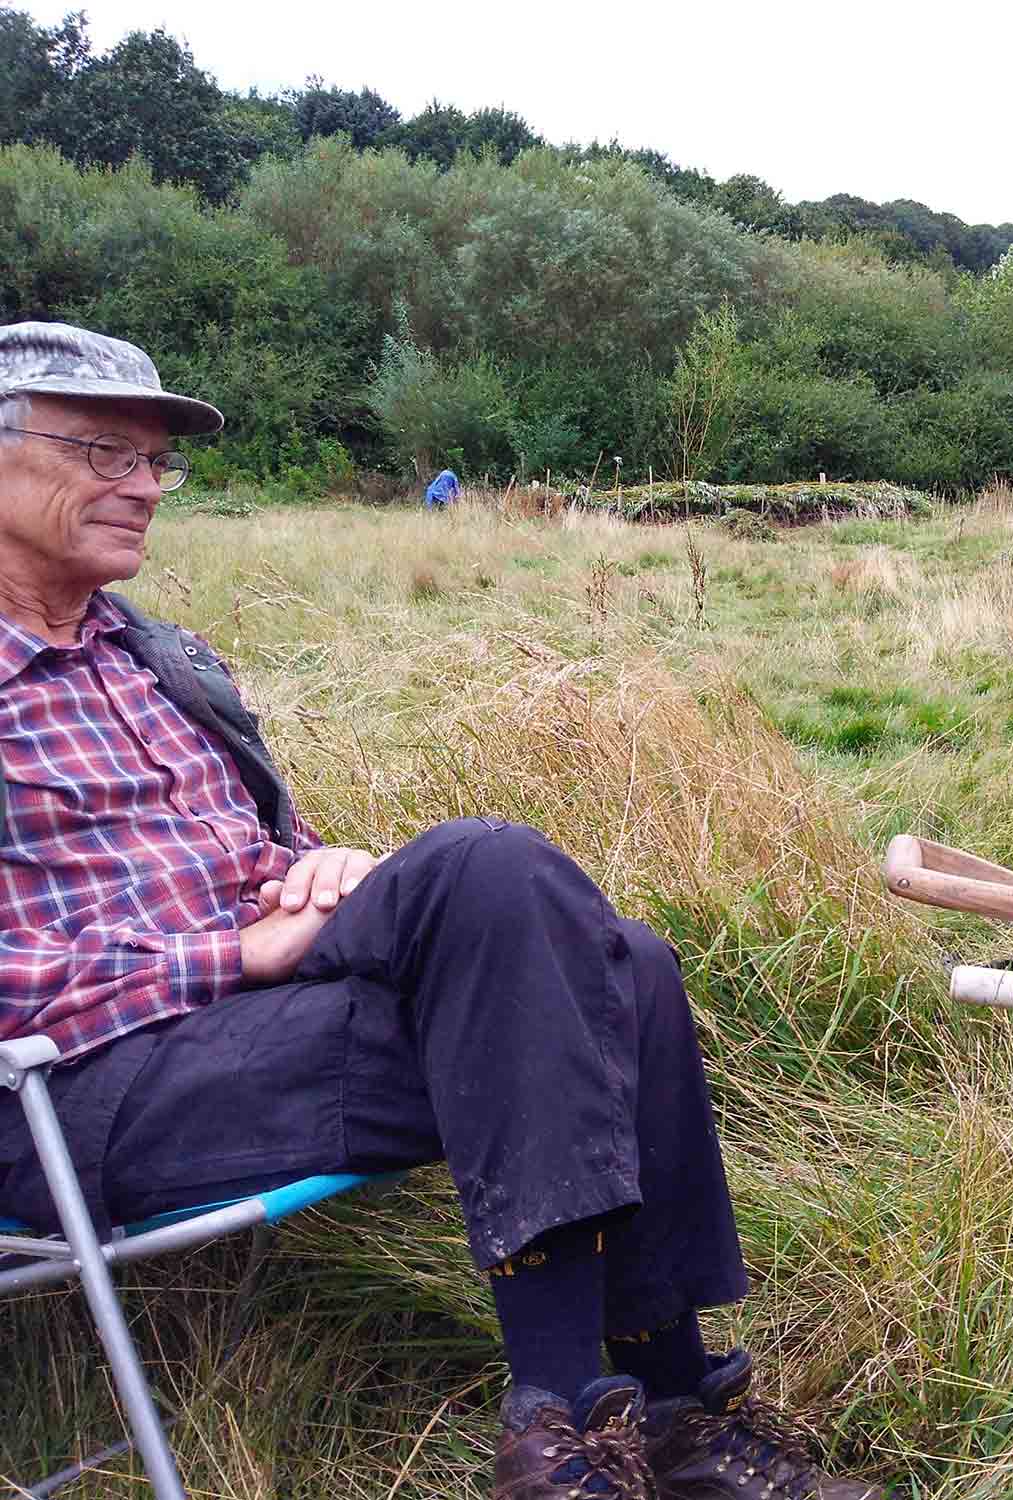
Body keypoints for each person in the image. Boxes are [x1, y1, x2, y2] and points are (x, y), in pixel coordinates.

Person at [0, 322, 881, 1500]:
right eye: (106, 453)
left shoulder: (155, 659)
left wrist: (315, 871)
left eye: (158, 463)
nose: (148, 487)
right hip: (75, 1090)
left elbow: (253, 855)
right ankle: (601, 1419)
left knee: (628, 964)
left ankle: (637, 1426)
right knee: (511, 888)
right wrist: (239, 954)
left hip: (242, 1037)